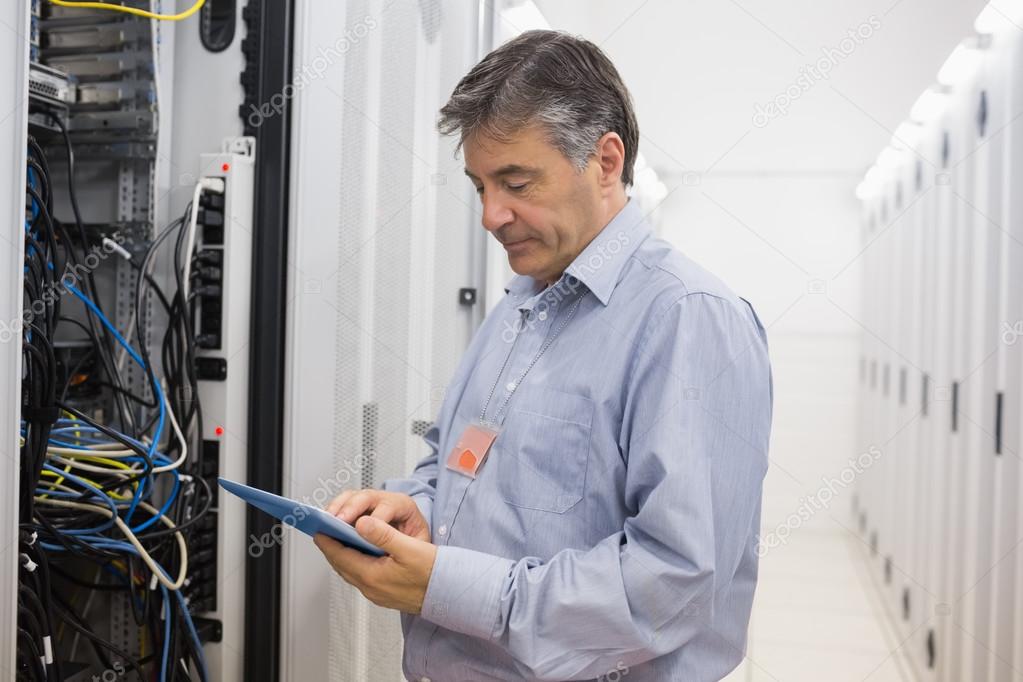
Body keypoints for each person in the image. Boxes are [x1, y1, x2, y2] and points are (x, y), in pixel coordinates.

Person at [314, 29, 773, 682]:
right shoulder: (521, 304)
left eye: (515, 182)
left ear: (605, 161)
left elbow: (672, 583)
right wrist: (419, 507)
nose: (491, 215)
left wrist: (443, 586)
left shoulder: (688, 320)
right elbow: (460, 464)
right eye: (478, 186)